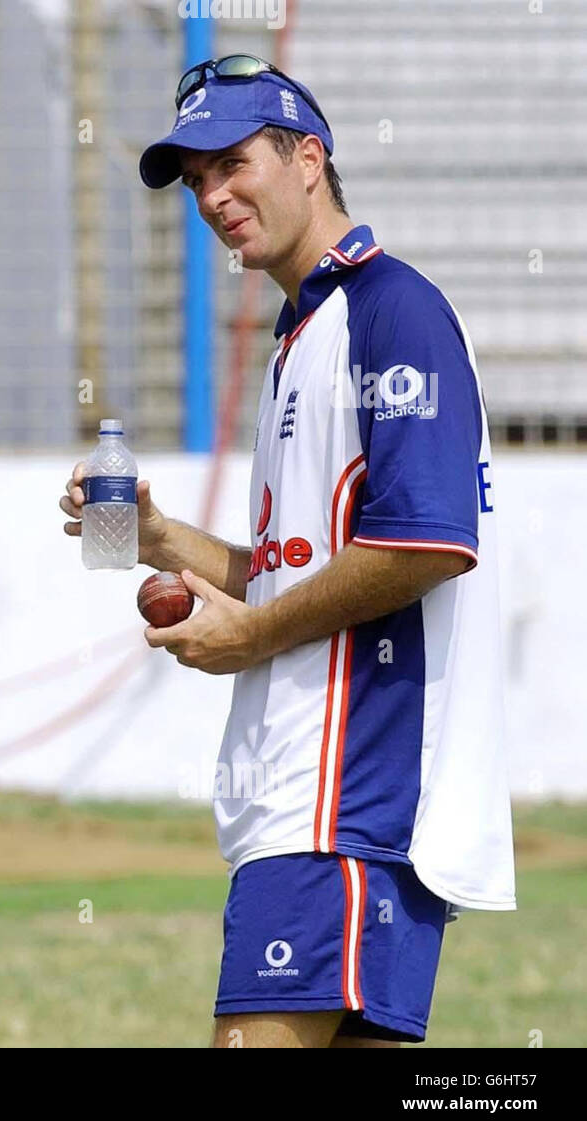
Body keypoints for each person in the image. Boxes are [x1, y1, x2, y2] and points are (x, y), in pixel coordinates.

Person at [61, 56, 513, 1047]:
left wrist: (255, 634)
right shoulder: (306, 325)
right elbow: (304, 559)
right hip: (320, 798)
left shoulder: (388, 312)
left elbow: (426, 544)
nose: (214, 197)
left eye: (232, 163)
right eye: (195, 181)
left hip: (346, 797)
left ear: (309, 158)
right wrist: (162, 540)